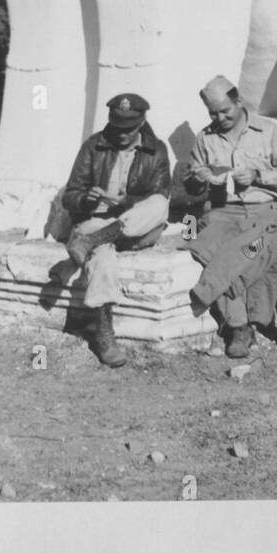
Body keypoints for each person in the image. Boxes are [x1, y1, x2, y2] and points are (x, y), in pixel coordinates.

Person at [182, 75, 277, 359]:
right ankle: (239, 328)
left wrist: (258, 175)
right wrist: (202, 179)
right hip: (223, 213)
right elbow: (190, 183)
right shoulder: (205, 138)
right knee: (220, 256)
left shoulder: (269, 131)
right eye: (213, 113)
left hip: (264, 211)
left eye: (225, 110)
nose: (220, 117)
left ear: (238, 101)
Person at [60, 93, 171, 368]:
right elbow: (70, 194)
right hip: (96, 219)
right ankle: (104, 333)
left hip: (136, 222)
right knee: (103, 258)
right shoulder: (93, 146)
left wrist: (125, 202)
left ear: (142, 121)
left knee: (159, 204)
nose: (122, 135)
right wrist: (87, 199)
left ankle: (95, 240)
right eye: (118, 128)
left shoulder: (156, 149)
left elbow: (160, 192)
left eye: (129, 129)